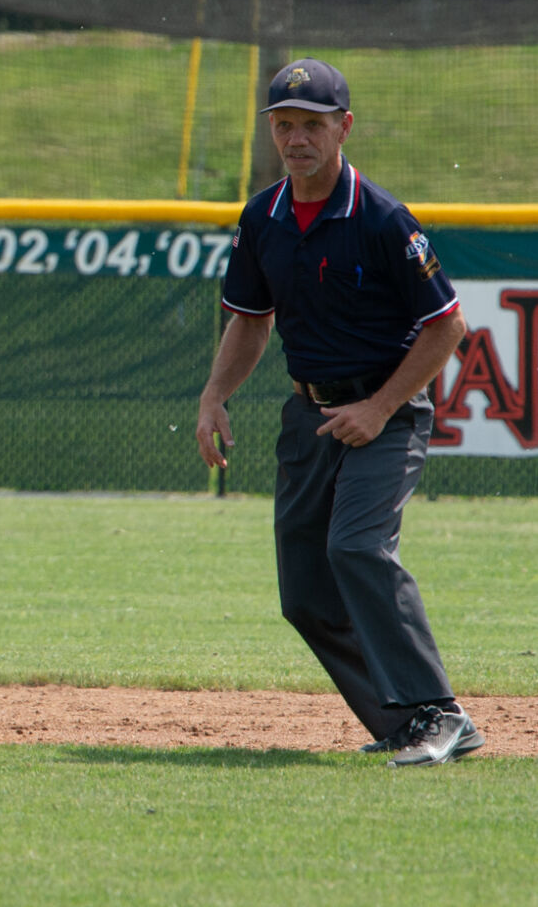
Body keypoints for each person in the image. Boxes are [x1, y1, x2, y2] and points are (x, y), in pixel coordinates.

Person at [195, 59, 479, 767]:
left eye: (311, 125)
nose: (296, 138)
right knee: (304, 593)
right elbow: (251, 320)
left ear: (342, 127)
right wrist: (212, 394)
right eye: (283, 125)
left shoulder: (381, 218)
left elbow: (447, 325)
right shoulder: (262, 217)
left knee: (355, 547)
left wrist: (380, 407)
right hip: (309, 415)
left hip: (386, 411)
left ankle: (439, 713)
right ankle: (401, 721)